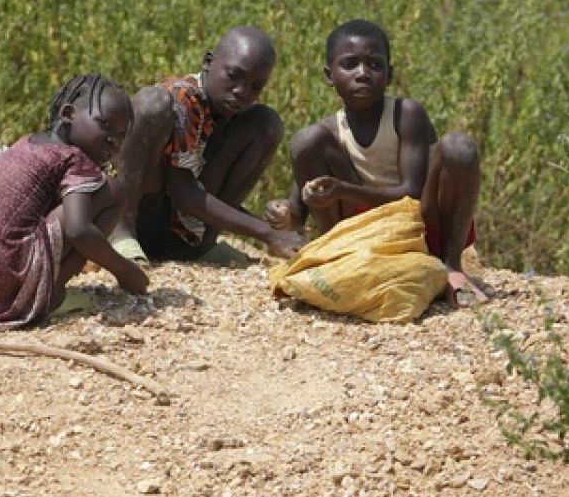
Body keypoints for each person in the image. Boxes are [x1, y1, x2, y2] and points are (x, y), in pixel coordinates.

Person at [268, 18, 488, 305]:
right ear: (329, 75)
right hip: (362, 234)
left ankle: (452, 267)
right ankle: (337, 254)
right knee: (305, 140)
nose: (363, 73)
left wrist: (343, 190)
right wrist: (283, 212)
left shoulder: (406, 114)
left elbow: (412, 193)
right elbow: (297, 210)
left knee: (460, 148)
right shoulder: (328, 133)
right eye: (350, 65)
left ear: (389, 74)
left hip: (421, 228)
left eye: (374, 64)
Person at [0, 73, 150, 329]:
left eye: (121, 135)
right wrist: (125, 271)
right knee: (113, 192)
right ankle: (51, 296)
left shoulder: (25, 144)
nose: (113, 141)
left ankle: (30, 288)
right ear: (69, 114)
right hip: (0, 290)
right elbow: (78, 230)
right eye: (105, 125)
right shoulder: (74, 158)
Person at [109, 26, 304, 263]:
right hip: (145, 213)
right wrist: (267, 232)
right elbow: (183, 193)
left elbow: (198, 194)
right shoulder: (183, 97)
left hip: (178, 225)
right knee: (152, 103)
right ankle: (120, 230)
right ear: (208, 62)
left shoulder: (228, 113)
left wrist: (278, 227)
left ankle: (201, 245)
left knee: (267, 123)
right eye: (233, 75)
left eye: (255, 87)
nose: (242, 91)